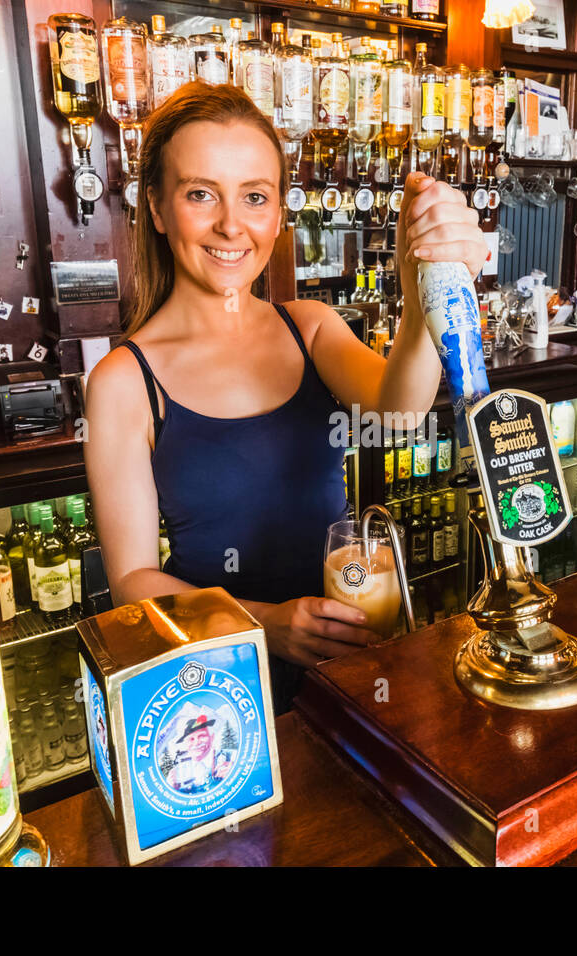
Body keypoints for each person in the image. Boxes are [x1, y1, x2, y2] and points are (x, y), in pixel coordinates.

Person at [84, 82, 487, 713]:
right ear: (158, 209)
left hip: (351, 655)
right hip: (218, 680)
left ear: (277, 212)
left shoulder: (310, 328)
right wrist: (264, 624)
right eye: (199, 194)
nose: (231, 224)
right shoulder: (123, 379)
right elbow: (132, 583)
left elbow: (401, 412)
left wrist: (419, 293)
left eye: (254, 197)